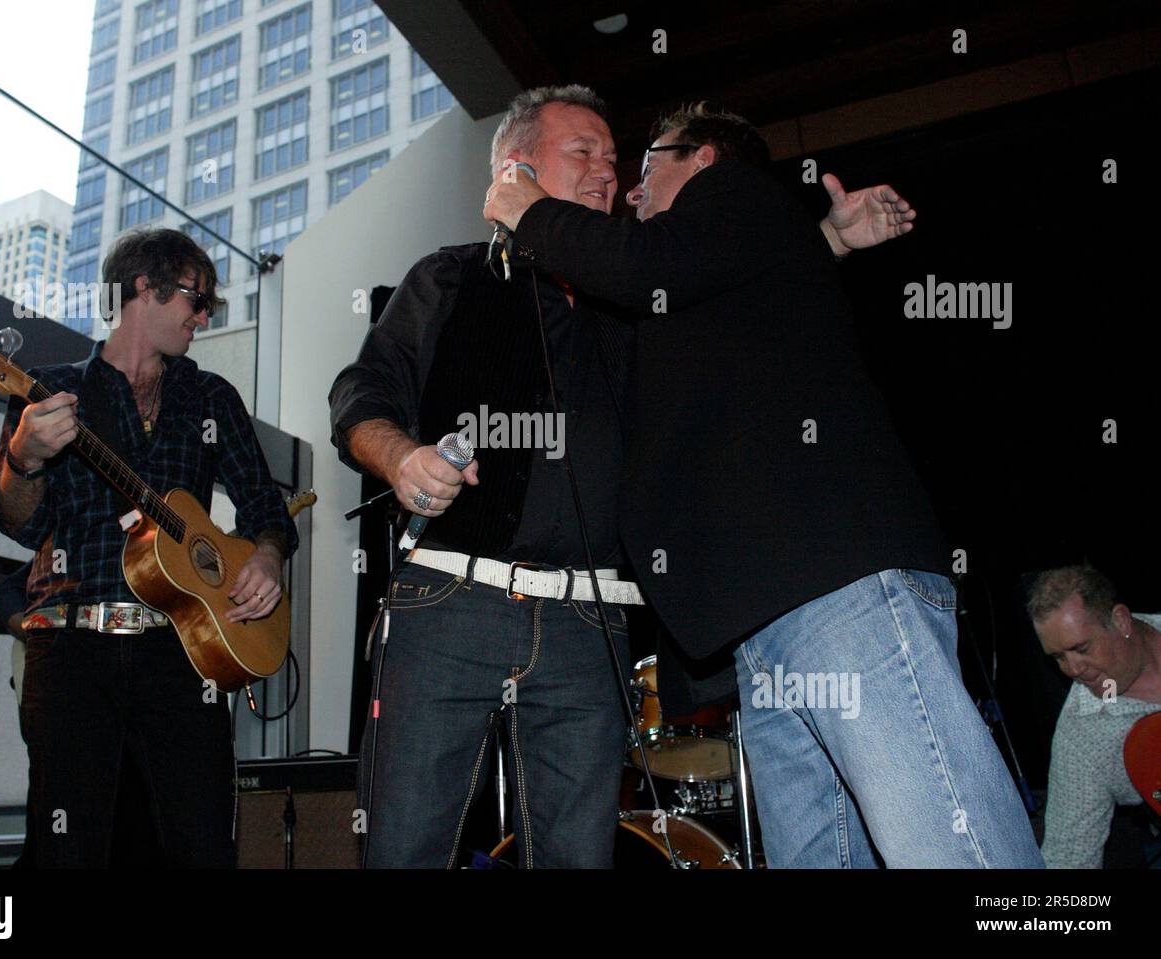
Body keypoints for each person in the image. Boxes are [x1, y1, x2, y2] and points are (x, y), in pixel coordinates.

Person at [332, 87, 907, 868]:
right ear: (517, 166)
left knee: (578, 857)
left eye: (616, 157)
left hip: (589, 625)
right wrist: (400, 456)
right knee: (404, 847)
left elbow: (735, 299)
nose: (610, 173)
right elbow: (362, 394)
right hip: (448, 602)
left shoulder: (640, 300)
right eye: (585, 153)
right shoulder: (448, 276)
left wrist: (824, 242)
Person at [485, 102, 1044, 868]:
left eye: (644, 167)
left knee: (950, 845)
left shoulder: (735, 196)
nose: (630, 190)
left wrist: (531, 209)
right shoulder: (714, 279)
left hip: (832, 580)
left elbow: (650, 266)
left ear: (704, 159)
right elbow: (696, 300)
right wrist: (825, 240)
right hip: (764, 624)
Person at [0, 228, 296, 868]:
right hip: (72, 651)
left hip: (182, 653)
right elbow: (15, 522)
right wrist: (25, 457)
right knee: (67, 852)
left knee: (202, 845)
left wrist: (265, 557)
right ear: (142, 290)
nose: (204, 315)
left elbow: (267, 509)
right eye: (195, 298)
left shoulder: (212, 398)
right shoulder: (48, 391)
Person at [1028, 565, 1161, 868]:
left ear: (1120, 620)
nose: (1072, 669)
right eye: (1059, 657)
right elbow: (1069, 858)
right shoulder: (1082, 736)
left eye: (1081, 648)